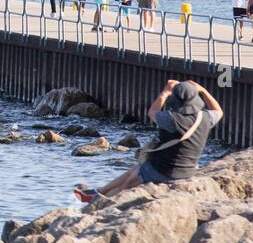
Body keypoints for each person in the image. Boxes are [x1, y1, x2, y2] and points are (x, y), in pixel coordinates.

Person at [75, 80, 222, 203]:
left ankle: (99, 203)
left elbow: (152, 112)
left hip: (166, 172)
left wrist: (165, 92)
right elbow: (219, 111)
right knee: (137, 167)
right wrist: (203, 90)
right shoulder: (205, 118)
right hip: (188, 170)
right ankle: (98, 192)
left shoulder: (171, 119)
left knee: (130, 180)